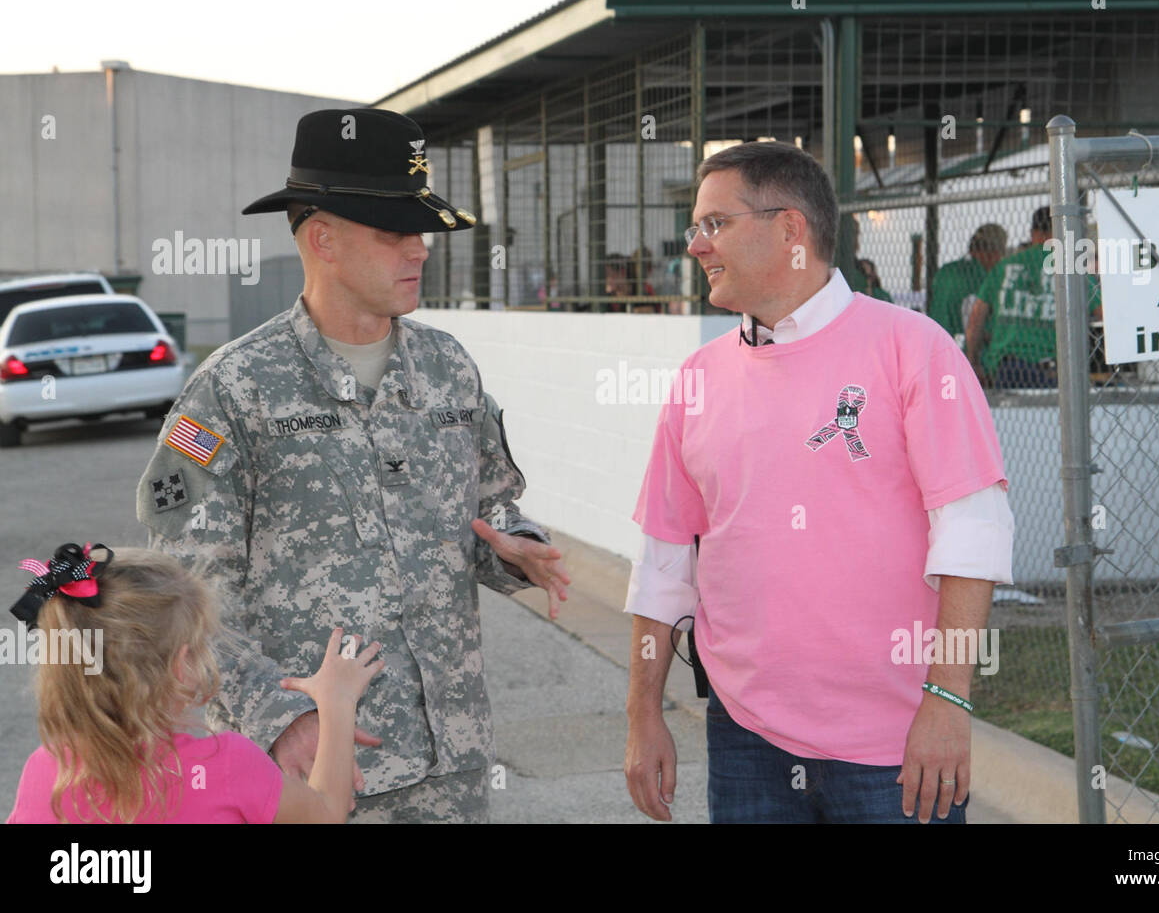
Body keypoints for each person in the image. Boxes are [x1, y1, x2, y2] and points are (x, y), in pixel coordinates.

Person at [135, 108, 570, 824]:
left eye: (421, 231)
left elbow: (493, 507)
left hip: (454, 764)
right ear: (324, 239)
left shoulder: (447, 367)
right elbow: (188, 592)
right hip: (319, 773)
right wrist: (277, 719)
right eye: (395, 232)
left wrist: (518, 548)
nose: (420, 250)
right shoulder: (234, 389)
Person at [622, 141, 1013, 824]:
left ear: (789, 230)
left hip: (894, 749)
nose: (696, 246)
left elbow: (974, 536)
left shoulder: (914, 349)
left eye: (714, 224)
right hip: (745, 741)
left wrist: (949, 701)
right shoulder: (697, 378)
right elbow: (665, 557)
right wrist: (642, 714)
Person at [6, 543, 382, 823]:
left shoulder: (49, 770)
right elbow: (325, 812)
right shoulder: (228, 764)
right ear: (182, 664)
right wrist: (337, 701)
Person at [965, 207, 1101, 389]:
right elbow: (1102, 314)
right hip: (1052, 367)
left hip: (1007, 366)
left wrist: (973, 362)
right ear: (1063, 231)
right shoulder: (1071, 268)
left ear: (1033, 233)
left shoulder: (1005, 266)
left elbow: (976, 319)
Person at [929, 223, 1006, 344]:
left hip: (935, 342)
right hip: (962, 350)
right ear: (993, 253)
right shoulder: (981, 278)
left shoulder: (945, 270)